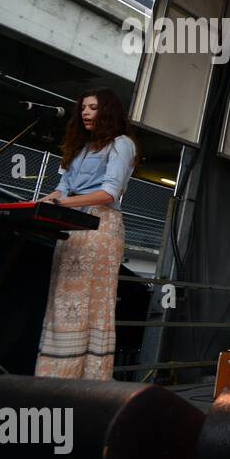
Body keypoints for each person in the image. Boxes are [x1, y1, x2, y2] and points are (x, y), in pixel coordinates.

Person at [35, 89, 137, 379]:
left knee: (90, 302)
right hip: (72, 224)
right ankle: (54, 372)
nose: (85, 113)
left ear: (109, 111)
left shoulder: (121, 144)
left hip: (100, 227)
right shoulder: (81, 148)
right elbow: (62, 189)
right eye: (82, 108)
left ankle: (87, 378)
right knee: (62, 299)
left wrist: (61, 204)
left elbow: (108, 193)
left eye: (92, 107)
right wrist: (39, 203)